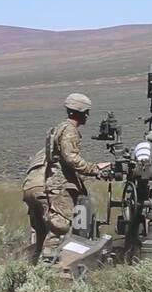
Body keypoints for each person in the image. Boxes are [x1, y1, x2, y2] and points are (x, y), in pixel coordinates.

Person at [41, 93, 111, 263]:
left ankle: (59, 259)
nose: (87, 116)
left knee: (64, 222)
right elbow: (71, 158)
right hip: (62, 183)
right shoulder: (69, 131)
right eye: (86, 112)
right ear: (81, 112)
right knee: (60, 223)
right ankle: (48, 261)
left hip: (60, 181)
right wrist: (94, 169)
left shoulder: (60, 128)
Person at [21, 148, 48, 264]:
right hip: (44, 188)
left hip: (28, 188)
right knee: (56, 225)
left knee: (39, 229)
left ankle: (35, 259)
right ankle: (49, 259)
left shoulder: (40, 153)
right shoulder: (62, 149)